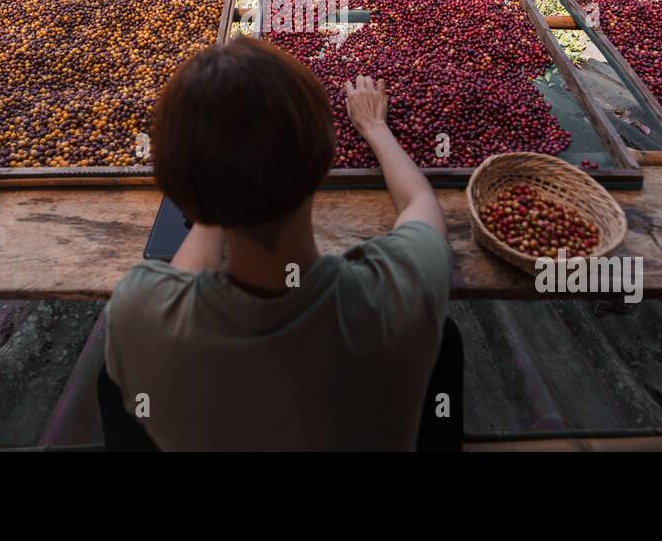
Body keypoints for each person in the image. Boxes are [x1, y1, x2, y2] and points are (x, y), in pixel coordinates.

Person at [103, 36, 452, 451]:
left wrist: (216, 190)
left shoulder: (136, 316)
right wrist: (374, 127)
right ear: (326, 158)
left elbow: (178, 284)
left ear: (181, 187)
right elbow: (419, 202)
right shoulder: (399, 294)